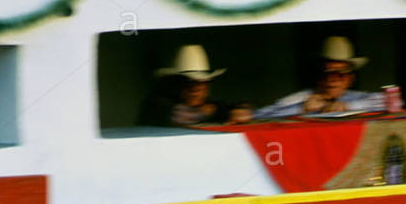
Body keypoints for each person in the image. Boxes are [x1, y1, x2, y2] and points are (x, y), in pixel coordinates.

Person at [253, 36, 386, 119]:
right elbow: (259, 115)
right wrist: (301, 109)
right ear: (318, 77)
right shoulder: (302, 98)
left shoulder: (353, 97)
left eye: (340, 74)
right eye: (326, 73)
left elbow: (389, 100)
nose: (332, 79)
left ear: (349, 80)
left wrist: (348, 106)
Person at [139, 45, 251, 127]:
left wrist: (236, 112)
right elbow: (163, 112)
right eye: (188, 82)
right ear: (175, 84)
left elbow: (228, 108)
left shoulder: (212, 107)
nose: (195, 89)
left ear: (207, 86)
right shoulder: (158, 107)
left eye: (201, 82)